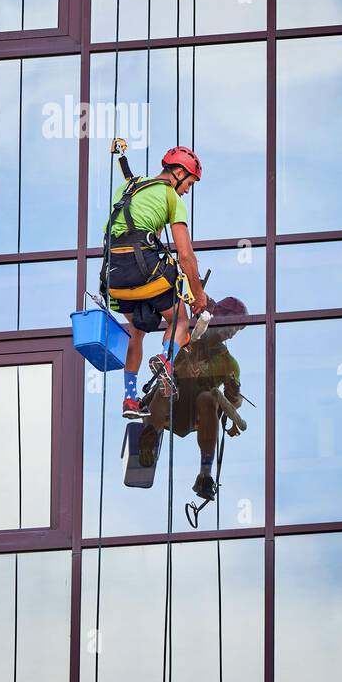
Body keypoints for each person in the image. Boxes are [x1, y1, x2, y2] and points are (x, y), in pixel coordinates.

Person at [100, 146, 208, 420]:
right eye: (190, 183)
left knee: (136, 331)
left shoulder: (127, 189)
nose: (187, 191)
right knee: (179, 320)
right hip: (144, 270)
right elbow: (186, 256)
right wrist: (198, 296)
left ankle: (129, 398)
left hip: (114, 278)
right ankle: (166, 360)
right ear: (179, 172)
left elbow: (131, 230)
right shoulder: (170, 196)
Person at [139, 296, 248, 501]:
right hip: (171, 402)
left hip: (198, 414)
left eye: (236, 330)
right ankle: (149, 441)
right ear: (219, 317)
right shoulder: (190, 334)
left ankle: (205, 475)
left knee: (208, 398)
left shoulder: (228, 363)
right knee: (167, 387)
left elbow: (236, 403)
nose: (232, 333)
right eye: (232, 326)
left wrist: (234, 392)